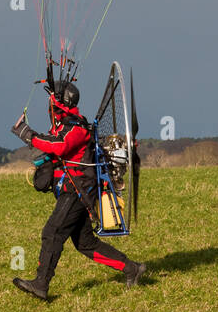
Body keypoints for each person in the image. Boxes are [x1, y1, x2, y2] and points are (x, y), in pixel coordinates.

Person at [10, 79, 145, 299]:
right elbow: (54, 141)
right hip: (76, 188)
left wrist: (28, 134)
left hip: (78, 189)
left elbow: (60, 145)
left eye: (53, 101)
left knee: (52, 232)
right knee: (85, 243)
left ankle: (41, 284)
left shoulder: (76, 128)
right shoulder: (66, 124)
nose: (49, 106)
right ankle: (132, 268)